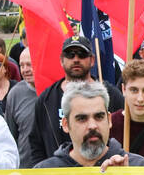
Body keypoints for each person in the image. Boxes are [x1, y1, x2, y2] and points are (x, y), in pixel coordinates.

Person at [28, 36, 122, 167]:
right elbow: (36, 143)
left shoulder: (111, 95)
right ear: (61, 60)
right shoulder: (45, 99)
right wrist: (44, 173)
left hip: (107, 173)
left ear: (92, 60)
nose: (76, 59)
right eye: (70, 55)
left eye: (82, 54)